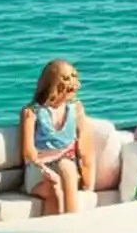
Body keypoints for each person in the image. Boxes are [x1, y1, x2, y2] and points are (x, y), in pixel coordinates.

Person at [19, 59, 95, 216]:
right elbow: (29, 152)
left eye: (75, 77)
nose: (75, 83)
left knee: (66, 167)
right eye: (68, 78)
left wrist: (88, 179)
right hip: (40, 168)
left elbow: (85, 147)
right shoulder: (31, 112)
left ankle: (71, 222)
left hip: (68, 167)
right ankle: (64, 226)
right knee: (55, 183)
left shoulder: (77, 108)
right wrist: (44, 169)